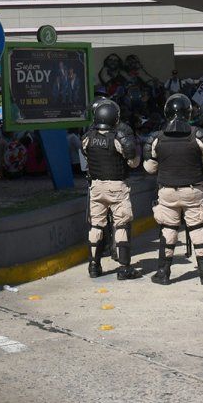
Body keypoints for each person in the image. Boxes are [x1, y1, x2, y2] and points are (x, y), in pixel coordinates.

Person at [144, 94, 203, 285]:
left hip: (167, 192)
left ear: (167, 111)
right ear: (189, 112)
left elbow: (149, 168)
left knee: (168, 229)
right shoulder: (199, 135)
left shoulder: (156, 138)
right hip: (193, 190)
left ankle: (163, 272)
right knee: (198, 228)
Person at [82, 99, 142, 280]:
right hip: (116, 187)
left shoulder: (87, 137)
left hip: (96, 187)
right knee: (121, 223)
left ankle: (94, 265)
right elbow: (133, 161)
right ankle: (124, 268)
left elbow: (86, 155)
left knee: (96, 225)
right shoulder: (117, 138)